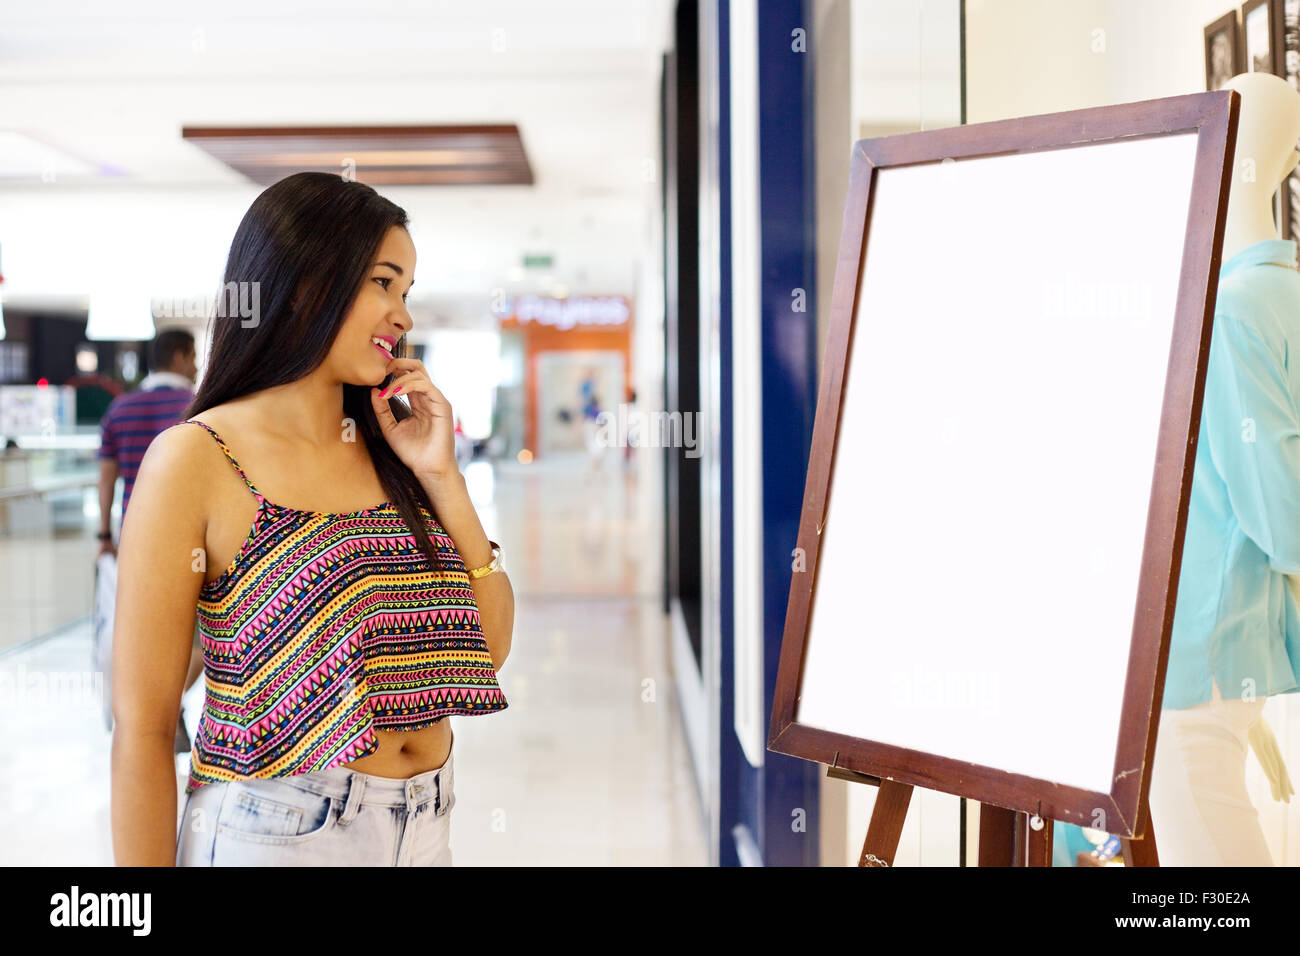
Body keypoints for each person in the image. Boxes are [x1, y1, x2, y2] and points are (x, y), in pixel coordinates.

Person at [110, 171, 513, 866]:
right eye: (383, 283)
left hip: (425, 825)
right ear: (303, 285)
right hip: (275, 831)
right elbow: (144, 728)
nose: (404, 316)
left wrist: (443, 477)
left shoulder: (396, 450)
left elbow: (487, 650)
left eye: (406, 291)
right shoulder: (198, 458)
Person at [96, 329, 200, 751]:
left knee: (151, 633)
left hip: (135, 540)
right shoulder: (198, 405)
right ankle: (167, 707)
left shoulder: (120, 408)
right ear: (178, 356)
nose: (195, 367)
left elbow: (106, 477)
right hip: (194, 541)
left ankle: (152, 713)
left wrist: (104, 535)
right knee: (198, 638)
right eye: (192, 357)